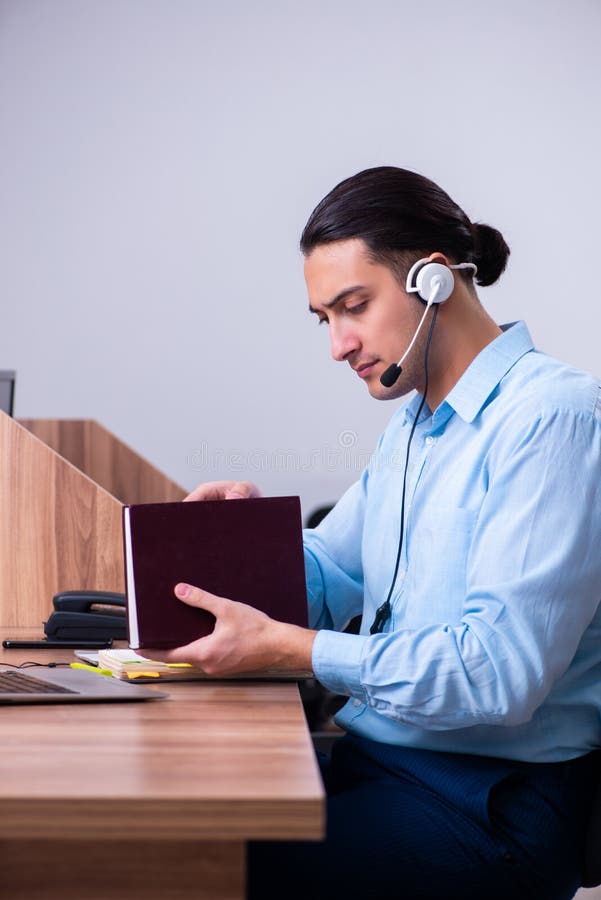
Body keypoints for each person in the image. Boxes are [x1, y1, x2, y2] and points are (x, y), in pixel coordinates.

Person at [151, 167, 601, 899]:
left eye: (352, 307)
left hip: (487, 807)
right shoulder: (415, 425)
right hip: (383, 768)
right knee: (171, 825)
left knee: (190, 870)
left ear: (433, 281)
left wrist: (296, 650)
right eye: (323, 319)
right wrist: (243, 545)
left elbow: (496, 674)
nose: (338, 344)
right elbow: (333, 571)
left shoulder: (552, 419)